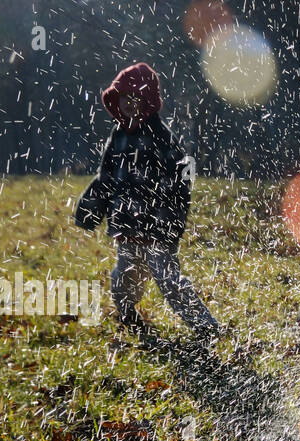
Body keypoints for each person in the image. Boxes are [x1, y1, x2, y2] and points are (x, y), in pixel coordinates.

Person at [75, 62, 220, 343]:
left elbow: (181, 181)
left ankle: (205, 325)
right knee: (123, 280)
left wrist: (171, 220)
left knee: (169, 281)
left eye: (135, 99)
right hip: (127, 226)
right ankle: (130, 317)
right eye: (124, 99)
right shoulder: (118, 136)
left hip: (157, 227)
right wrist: (89, 210)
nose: (129, 105)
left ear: (148, 101)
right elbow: (106, 177)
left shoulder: (161, 138)